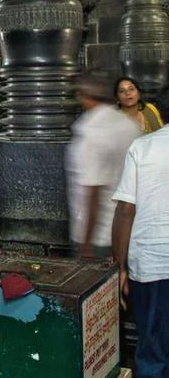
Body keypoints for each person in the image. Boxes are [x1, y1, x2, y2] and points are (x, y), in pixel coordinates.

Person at [112, 84, 169, 378]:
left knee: (153, 354)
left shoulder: (144, 148)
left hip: (153, 266)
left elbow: (126, 211)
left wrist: (120, 266)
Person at [67, 73, 139, 258]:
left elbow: (92, 193)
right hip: (128, 230)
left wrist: (87, 247)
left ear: (85, 95)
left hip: (98, 237)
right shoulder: (129, 126)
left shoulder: (92, 132)